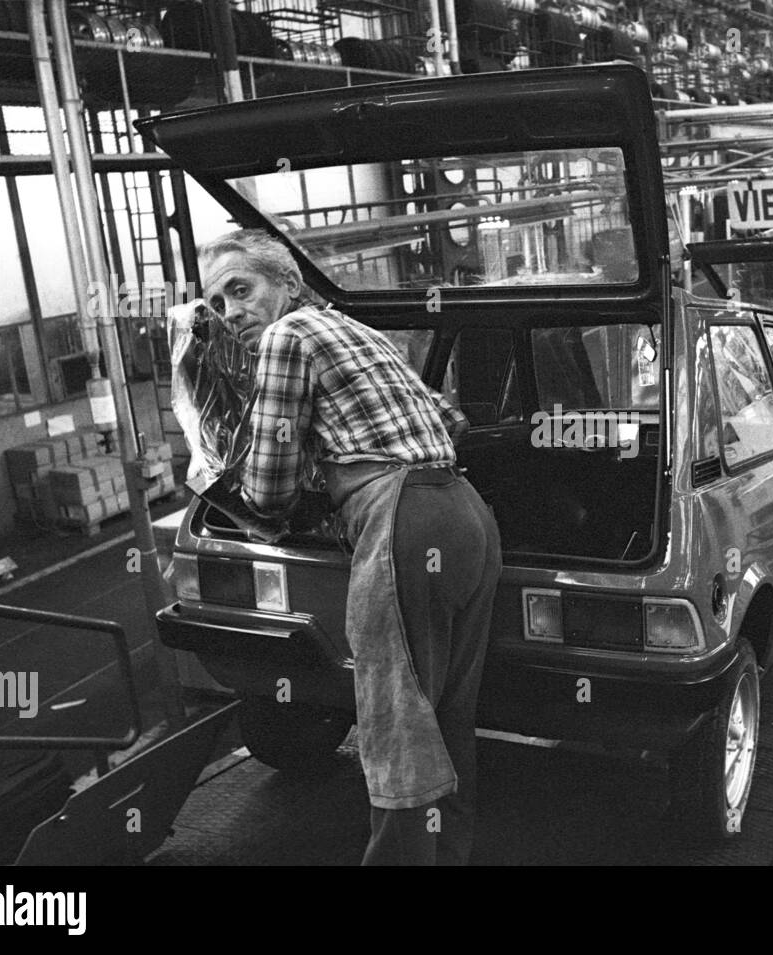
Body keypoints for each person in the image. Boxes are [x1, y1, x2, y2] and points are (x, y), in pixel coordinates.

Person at [198, 228, 501, 865]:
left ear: (283, 284)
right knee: (443, 718)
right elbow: (453, 422)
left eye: (240, 289)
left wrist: (222, 473)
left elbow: (271, 489)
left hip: (402, 520)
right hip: (465, 515)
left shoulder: (285, 337)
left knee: (395, 723)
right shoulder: (358, 331)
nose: (231, 312)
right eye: (218, 302)